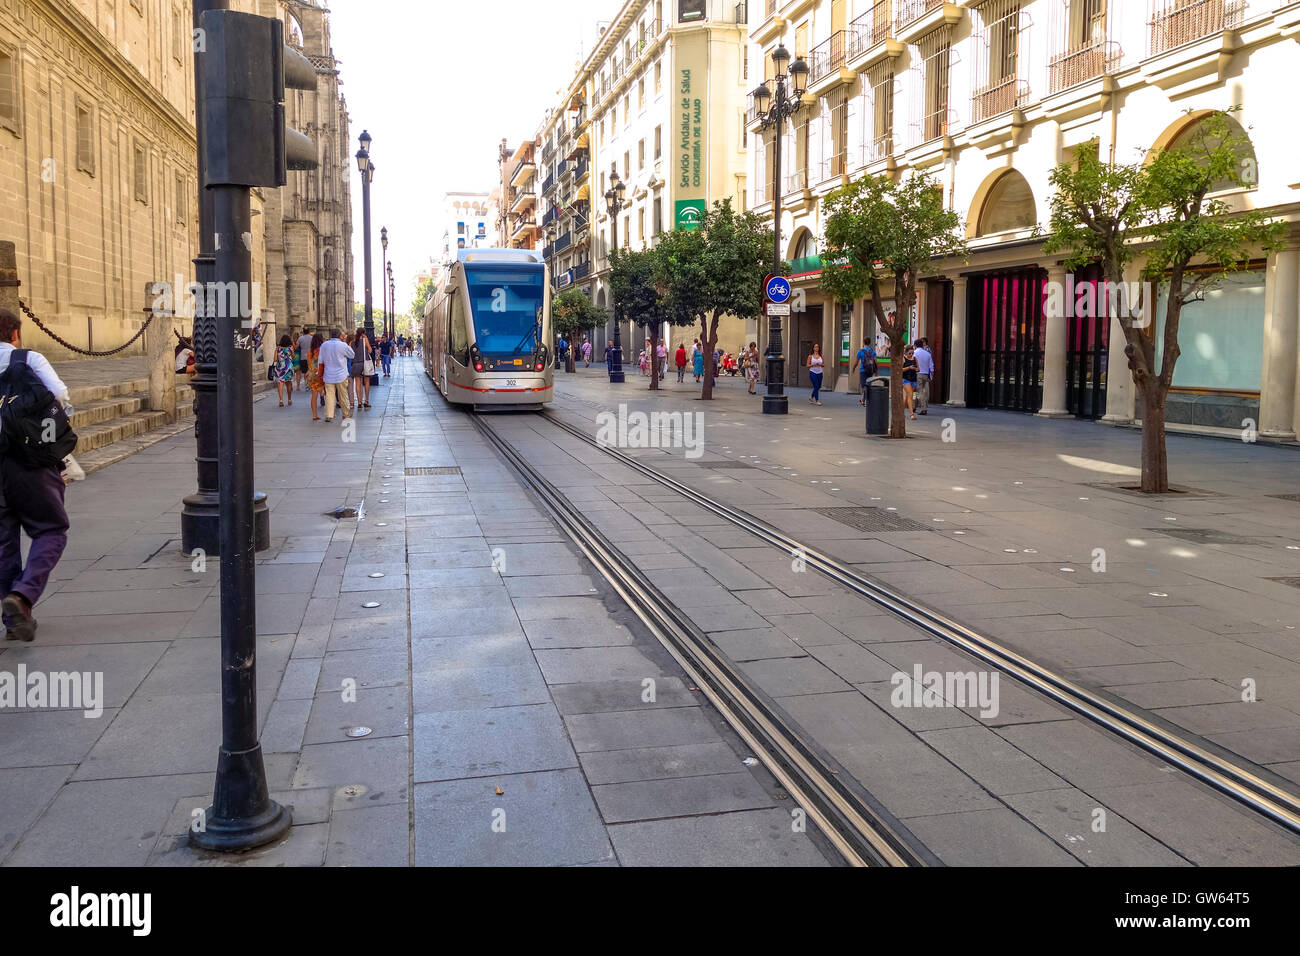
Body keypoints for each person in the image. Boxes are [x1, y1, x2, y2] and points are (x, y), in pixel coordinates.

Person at [0, 308, 71, 643]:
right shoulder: (28, 359)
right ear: (15, 333)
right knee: (52, 529)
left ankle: (13, 619)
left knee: (3, 543)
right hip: (30, 462)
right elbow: (59, 396)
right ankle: (23, 596)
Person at [319, 329, 354, 422]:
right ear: (339, 336)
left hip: (328, 374)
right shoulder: (343, 345)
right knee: (343, 395)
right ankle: (346, 414)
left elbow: (320, 360)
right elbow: (352, 355)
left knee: (329, 395)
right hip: (341, 374)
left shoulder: (324, 345)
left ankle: (329, 415)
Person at [852, 337, 878, 407]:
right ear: (869, 343)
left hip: (863, 370)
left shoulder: (860, 351)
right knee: (868, 385)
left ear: (863, 342)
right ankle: (864, 400)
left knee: (864, 385)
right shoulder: (873, 351)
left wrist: (853, 368)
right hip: (870, 370)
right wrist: (876, 371)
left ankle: (865, 400)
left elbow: (856, 362)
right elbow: (875, 362)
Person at [351, 328, 373, 409]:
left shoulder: (352, 342)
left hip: (356, 364)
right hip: (364, 363)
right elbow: (370, 350)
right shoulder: (365, 340)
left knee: (357, 383)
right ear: (363, 333)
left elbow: (350, 352)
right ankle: (366, 401)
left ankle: (359, 402)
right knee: (366, 382)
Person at [273, 334, 295, 407]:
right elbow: (293, 357)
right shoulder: (290, 348)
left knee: (280, 383)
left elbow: (275, 359)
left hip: (280, 368)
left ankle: (281, 400)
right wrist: (291, 352)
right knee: (288, 383)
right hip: (289, 367)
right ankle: (289, 399)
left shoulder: (277, 349)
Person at [307, 332, 325, 421]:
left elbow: (309, 363)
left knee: (314, 395)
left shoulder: (309, 351)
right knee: (327, 392)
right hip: (320, 374)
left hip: (311, 374)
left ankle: (314, 415)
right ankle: (328, 413)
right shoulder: (321, 350)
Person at [914, 338, 933, 415]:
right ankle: (923, 406)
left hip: (918, 374)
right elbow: (931, 366)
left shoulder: (914, 353)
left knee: (919, 391)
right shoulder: (927, 354)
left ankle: (923, 408)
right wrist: (931, 375)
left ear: (915, 345)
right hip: (926, 374)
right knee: (925, 391)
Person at [901, 345, 919, 421]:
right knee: (910, 395)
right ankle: (911, 414)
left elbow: (918, 368)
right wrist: (909, 367)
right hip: (905, 379)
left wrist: (915, 368)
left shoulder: (915, 359)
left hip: (913, 379)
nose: (911, 355)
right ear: (906, 353)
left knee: (907, 397)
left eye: (912, 353)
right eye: (909, 353)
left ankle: (901, 412)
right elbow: (900, 369)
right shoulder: (903, 359)